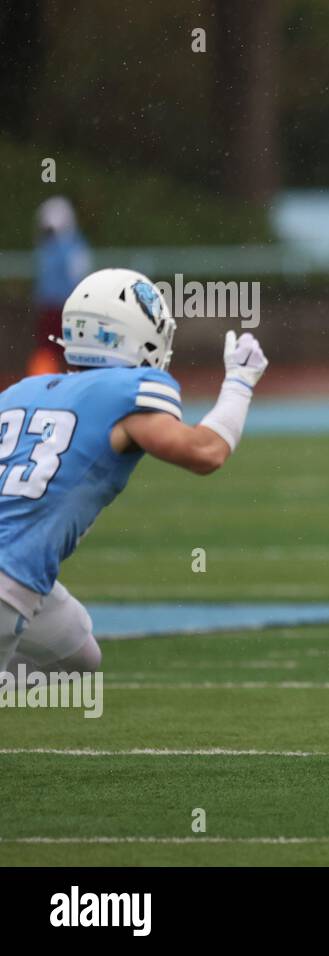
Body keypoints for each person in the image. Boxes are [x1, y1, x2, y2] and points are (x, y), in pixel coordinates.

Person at [0, 268, 268, 675]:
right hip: (10, 576)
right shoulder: (125, 392)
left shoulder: (20, 393)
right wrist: (240, 381)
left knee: (78, 657)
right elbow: (206, 452)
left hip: (21, 569)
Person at [29, 197, 92, 377]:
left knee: (69, 352)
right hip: (52, 307)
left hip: (66, 307)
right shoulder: (51, 246)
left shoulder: (72, 246)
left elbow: (77, 275)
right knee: (49, 351)